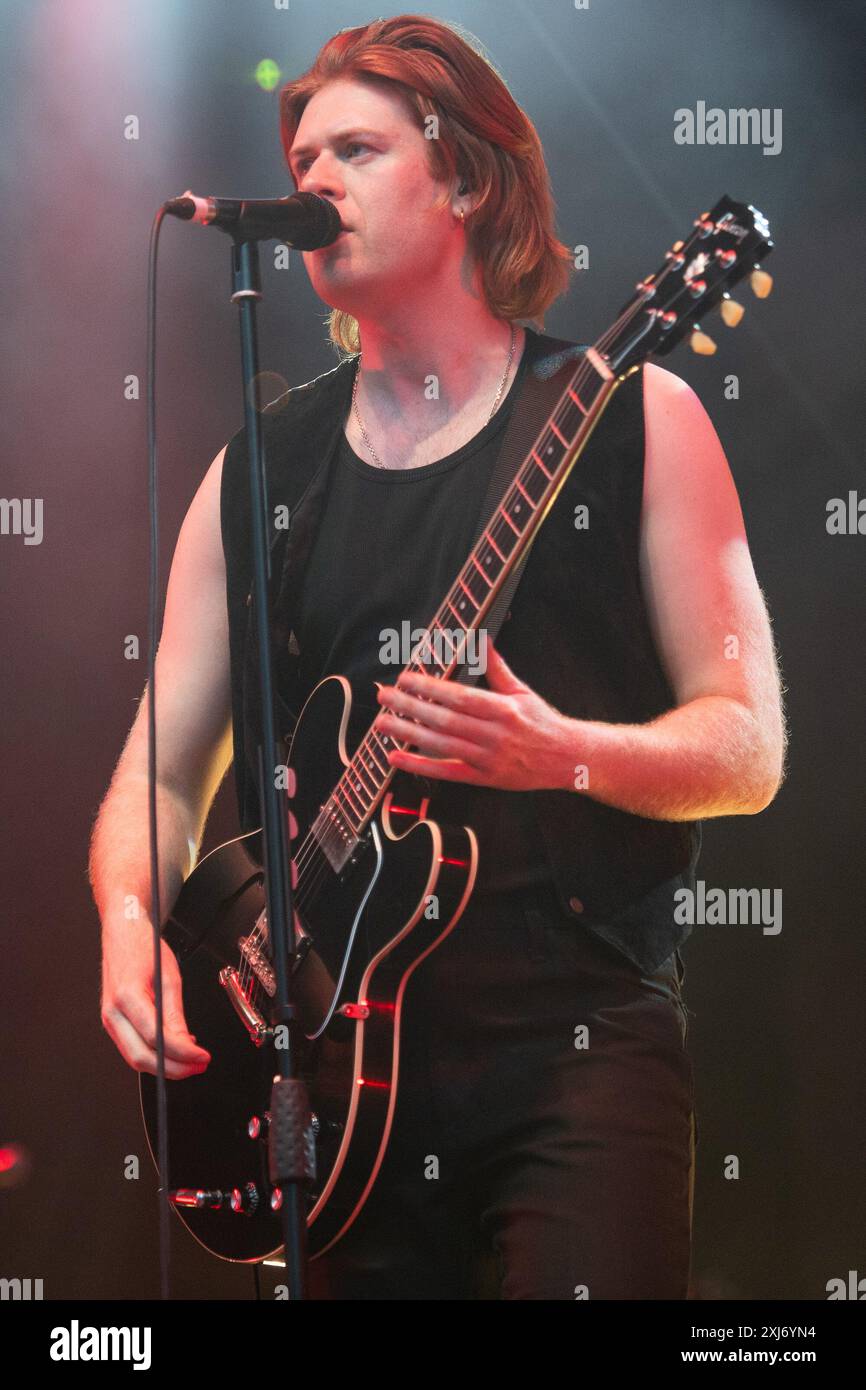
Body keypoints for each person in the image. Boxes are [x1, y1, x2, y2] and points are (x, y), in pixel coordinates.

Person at [90, 15, 787, 1299]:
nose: (312, 185)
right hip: (320, 1074)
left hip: (574, 1058)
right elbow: (164, 770)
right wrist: (131, 917)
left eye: (354, 149)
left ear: (464, 176)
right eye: (300, 162)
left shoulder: (638, 416)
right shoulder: (257, 473)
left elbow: (745, 747)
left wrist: (563, 756)